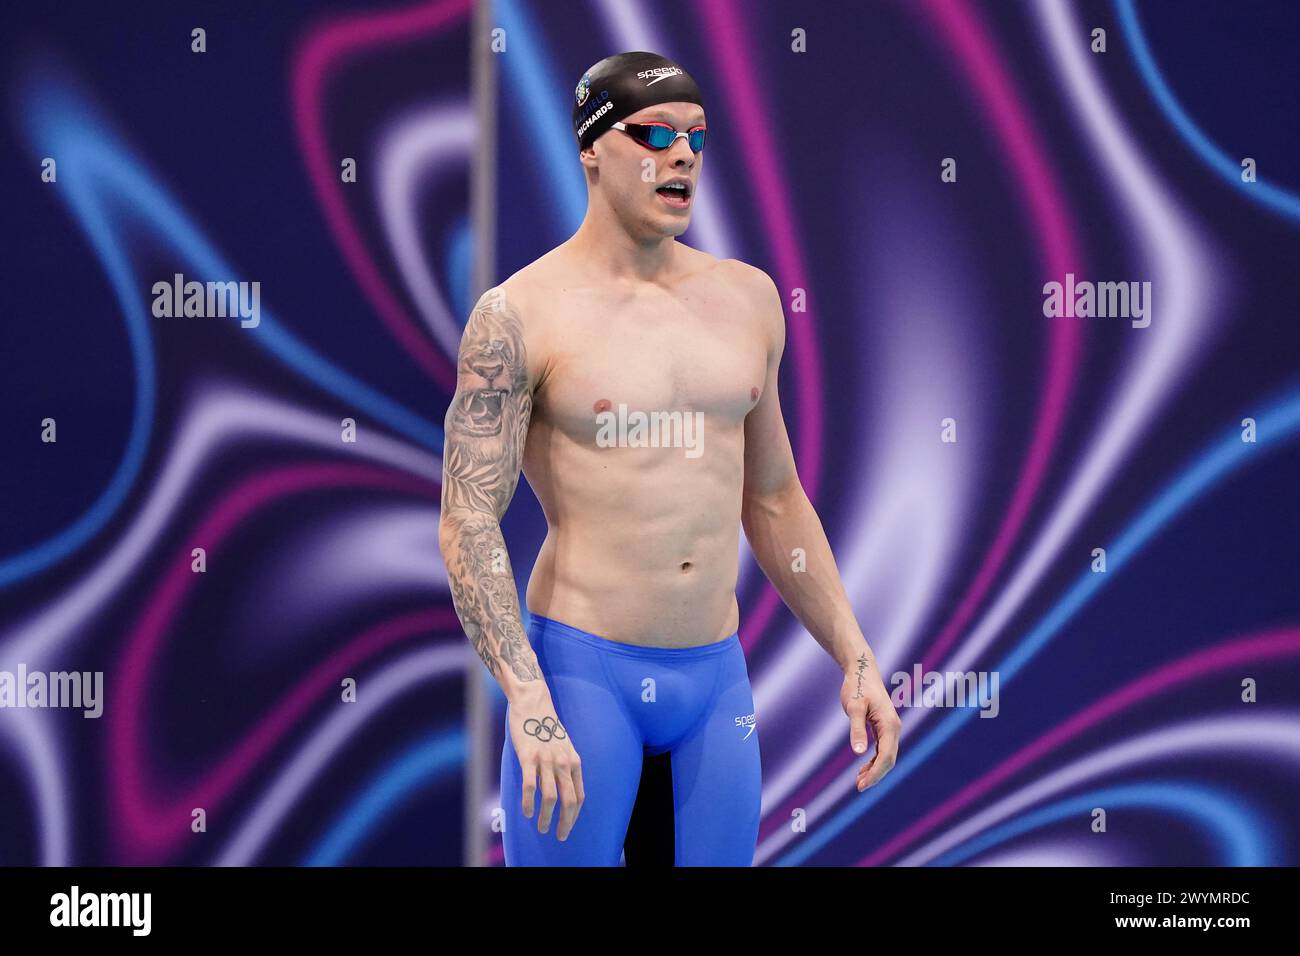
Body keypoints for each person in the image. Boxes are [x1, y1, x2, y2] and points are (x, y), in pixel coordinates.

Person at [438, 51, 900, 867]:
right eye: (652, 133)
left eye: (696, 137)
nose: (682, 154)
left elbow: (776, 499)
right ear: (590, 149)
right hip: (581, 677)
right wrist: (528, 697)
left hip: (715, 685)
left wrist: (854, 653)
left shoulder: (749, 299)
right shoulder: (521, 315)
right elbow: (468, 516)